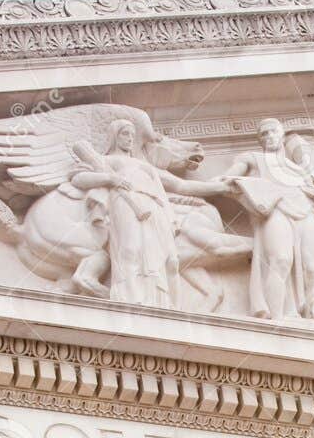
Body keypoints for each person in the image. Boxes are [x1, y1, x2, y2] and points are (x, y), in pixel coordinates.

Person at [70, 120, 225, 306]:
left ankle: (168, 307)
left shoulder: (145, 166)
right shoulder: (106, 161)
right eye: (125, 133)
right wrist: (110, 179)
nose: (130, 138)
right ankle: (129, 301)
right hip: (125, 202)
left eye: (132, 134)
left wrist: (221, 187)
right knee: (130, 250)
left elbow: (178, 186)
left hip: (154, 206)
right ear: (114, 136)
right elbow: (79, 179)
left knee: (171, 261)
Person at [219, 119, 314, 318]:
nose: (269, 136)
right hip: (276, 210)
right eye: (264, 134)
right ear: (259, 140)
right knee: (280, 260)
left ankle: (312, 318)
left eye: (273, 131)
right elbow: (226, 180)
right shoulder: (252, 158)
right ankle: (278, 320)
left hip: (306, 211)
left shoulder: (299, 170)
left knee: (313, 269)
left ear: (283, 135)